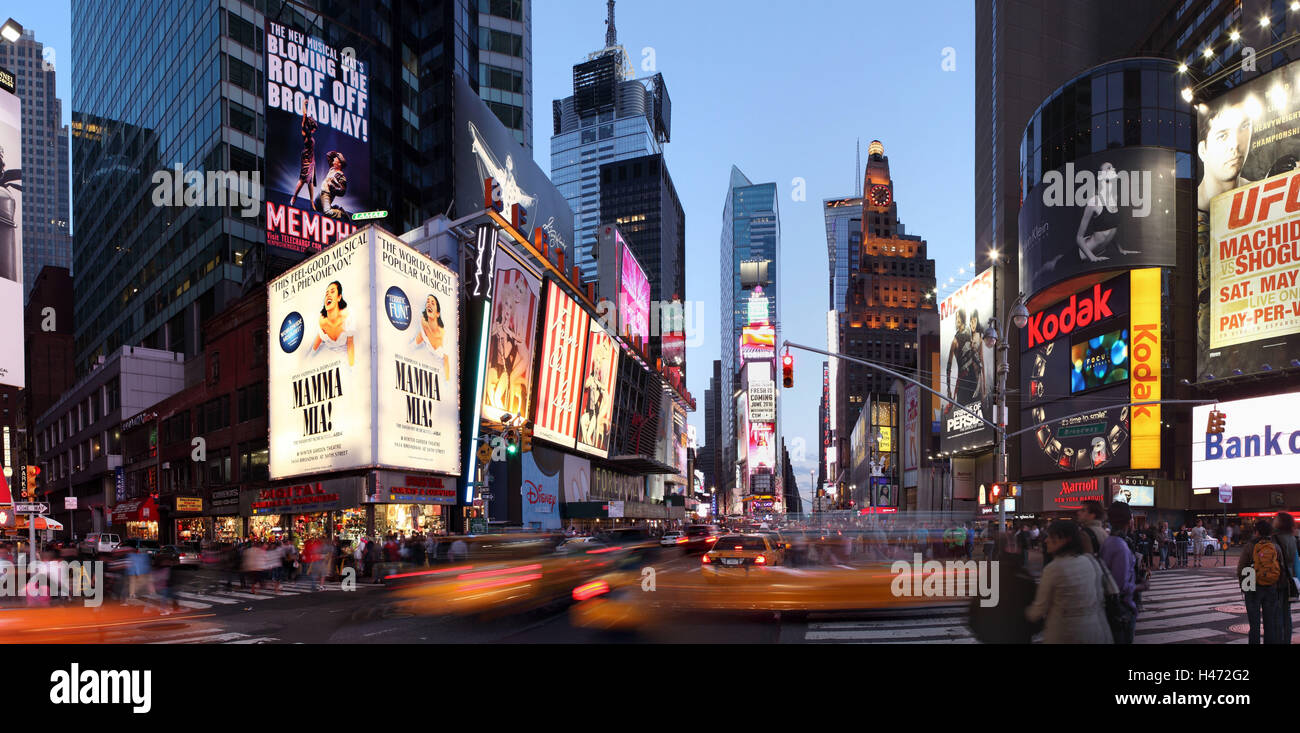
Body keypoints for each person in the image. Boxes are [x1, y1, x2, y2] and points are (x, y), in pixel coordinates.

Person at [1026, 519, 1113, 644]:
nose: (1046, 540)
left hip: (1065, 633)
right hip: (1095, 631)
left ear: (1065, 539)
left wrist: (1022, 614)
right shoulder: (1090, 560)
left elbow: (1039, 609)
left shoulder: (1054, 568)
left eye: (1051, 536)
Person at [1238, 518, 1287, 644]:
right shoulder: (1275, 547)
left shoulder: (1249, 546)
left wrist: (1244, 586)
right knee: (1270, 623)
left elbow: (1241, 568)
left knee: (1254, 625)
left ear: (1257, 532)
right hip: (1271, 587)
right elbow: (1281, 567)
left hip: (1252, 586)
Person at [1197, 102, 1253, 211]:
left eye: (1244, 126)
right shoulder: (1187, 209)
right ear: (1203, 150)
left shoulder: (1258, 193)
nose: (1235, 143)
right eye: (1222, 136)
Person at [1101, 502, 1140, 642]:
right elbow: (1120, 585)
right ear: (1129, 520)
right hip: (1123, 609)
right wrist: (1141, 586)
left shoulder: (1109, 541)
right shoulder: (1120, 546)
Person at [310, 280, 356, 367]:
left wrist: (351, 367)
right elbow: (319, 337)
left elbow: (350, 344)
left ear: (339, 297)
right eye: (326, 293)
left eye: (332, 291)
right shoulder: (322, 320)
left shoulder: (347, 317)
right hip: (327, 359)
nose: (328, 295)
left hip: (344, 358)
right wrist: (310, 356)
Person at [1274, 512, 1299, 642]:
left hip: (1277, 579)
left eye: (1276, 519)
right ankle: (1286, 640)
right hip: (1290, 580)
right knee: (1286, 613)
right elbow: (1296, 563)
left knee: (1277, 613)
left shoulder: (1274, 538)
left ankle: (1278, 639)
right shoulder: (1293, 539)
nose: (1274, 520)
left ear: (1281, 523)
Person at [289, 97, 317, 205]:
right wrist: (303, 104)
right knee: (303, 178)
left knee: (310, 180)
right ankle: (294, 197)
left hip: (311, 157)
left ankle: (311, 201)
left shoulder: (310, 134)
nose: (314, 130)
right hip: (306, 157)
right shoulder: (305, 132)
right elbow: (304, 116)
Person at [313, 150, 349, 220]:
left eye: (336, 158)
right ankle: (334, 207)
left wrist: (333, 187)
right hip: (322, 191)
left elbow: (342, 191)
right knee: (316, 206)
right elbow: (328, 155)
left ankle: (340, 212)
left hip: (328, 194)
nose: (334, 159)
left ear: (339, 164)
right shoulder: (332, 169)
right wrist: (335, 153)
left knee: (327, 212)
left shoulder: (341, 177)